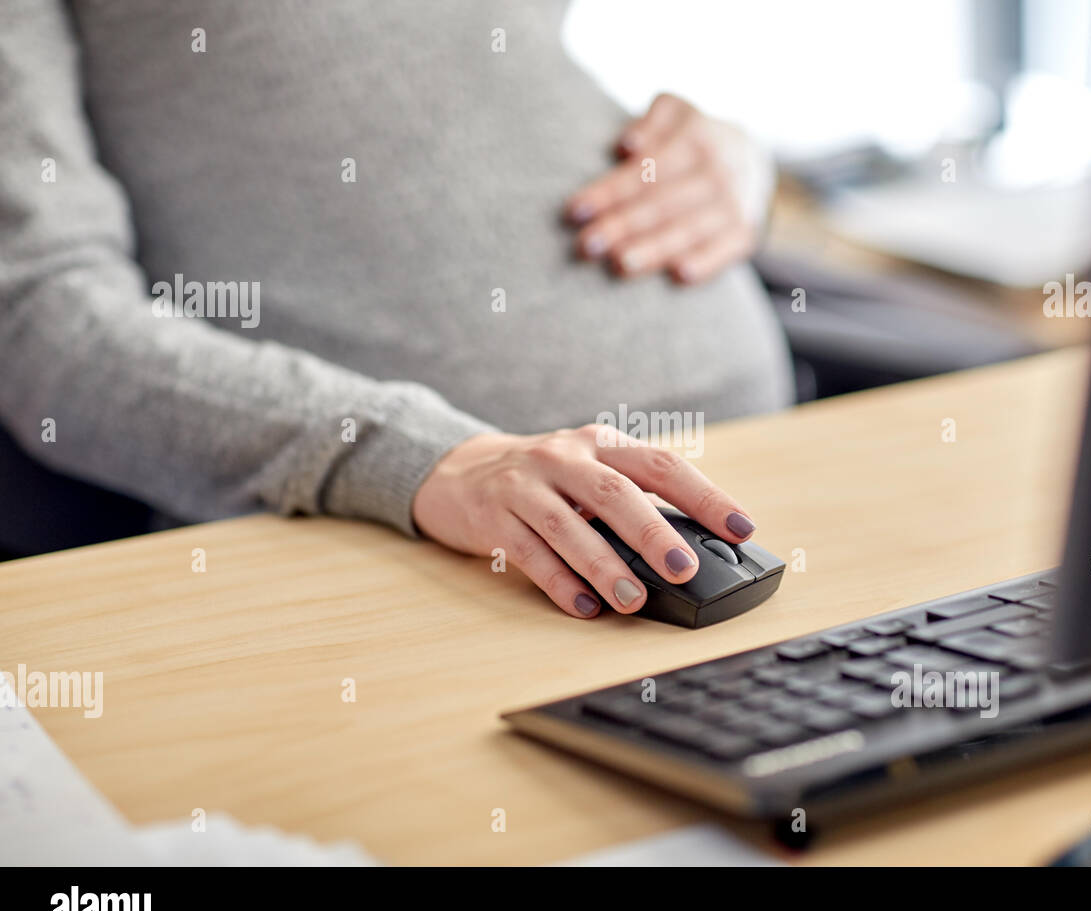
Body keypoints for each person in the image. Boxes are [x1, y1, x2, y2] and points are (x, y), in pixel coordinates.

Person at [0, 1, 795, 618]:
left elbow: (474, 83)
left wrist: (734, 161)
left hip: (779, 471)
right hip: (427, 558)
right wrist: (414, 457)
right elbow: (42, 314)